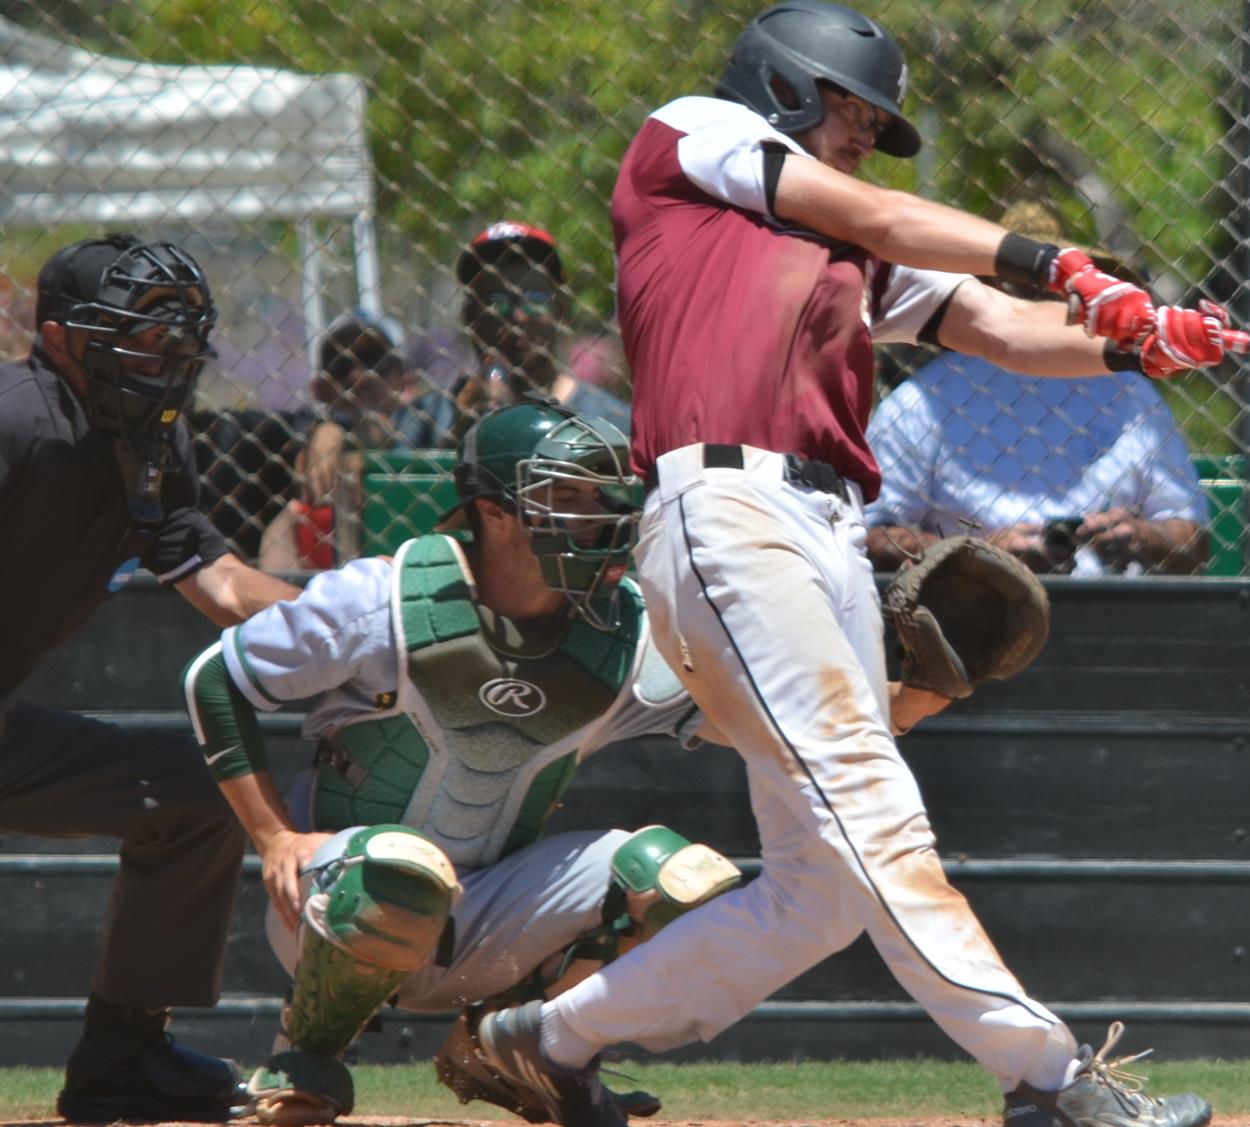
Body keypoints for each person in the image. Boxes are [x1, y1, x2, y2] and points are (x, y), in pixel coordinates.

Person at [469, 5, 1231, 1127]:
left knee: (820, 888)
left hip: (822, 530)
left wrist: (1145, 341)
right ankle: (1047, 1078)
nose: (866, 135)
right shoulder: (689, 137)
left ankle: (544, 1037)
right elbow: (873, 210)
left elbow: (1006, 330)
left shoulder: (851, 251)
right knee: (872, 805)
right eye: (852, 108)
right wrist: (1059, 257)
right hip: (731, 508)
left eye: (878, 121)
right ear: (780, 85)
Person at [185, 402, 751, 1124]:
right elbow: (216, 676)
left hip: (494, 912)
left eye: (605, 497)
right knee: (403, 868)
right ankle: (306, 1055)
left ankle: (530, 1049)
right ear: (494, 509)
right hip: (341, 896)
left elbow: (747, 720)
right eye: (567, 496)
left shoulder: (625, 629)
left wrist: (906, 687)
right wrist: (272, 836)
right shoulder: (384, 597)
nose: (598, 516)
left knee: (678, 881)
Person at [3, 234, 301, 1121]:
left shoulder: (151, 445)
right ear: (62, 339)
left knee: (195, 791)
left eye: (181, 337)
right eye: (142, 335)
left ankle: (122, 1058)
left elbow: (216, 580)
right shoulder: (18, 420)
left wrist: (355, 624)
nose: (168, 357)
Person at [865, 202, 1208, 575]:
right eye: (1021, 282)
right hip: (975, 612)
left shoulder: (1129, 395)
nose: (1034, 298)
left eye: (1050, 282)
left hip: (1109, 609)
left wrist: (1140, 535)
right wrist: (977, 552)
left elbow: (1190, 538)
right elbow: (872, 537)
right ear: (984, 285)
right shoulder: (923, 401)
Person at [260, 314, 455, 569]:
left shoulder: (432, 422)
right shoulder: (300, 439)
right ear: (318, 388)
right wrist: (330, 431)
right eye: (341, 365)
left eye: (376, 362)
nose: (357, 375)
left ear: (406, 383)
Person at [448, 223, 630, 441]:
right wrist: (462, 432)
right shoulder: (437, 418)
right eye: (496, 301)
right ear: (470, 316)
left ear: (560, 311)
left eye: (534, 299)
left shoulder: (609, 423)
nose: (518, 317)